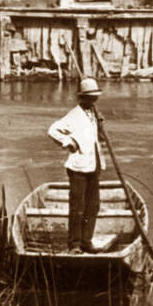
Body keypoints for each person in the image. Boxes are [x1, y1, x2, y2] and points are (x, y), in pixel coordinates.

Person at [47, 78, 106, 253]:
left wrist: (101, 124)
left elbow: (99, 138)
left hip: (94, 164)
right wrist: (68, 142)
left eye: (94, 98)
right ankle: (74, 244)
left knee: (93, 205)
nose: (93, 101)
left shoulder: (94, 114)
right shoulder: (74, 115)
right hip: (78, 167)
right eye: (89, 98)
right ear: (81, 99)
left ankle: (87, 241)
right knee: (77, 207)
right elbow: (52, 130)